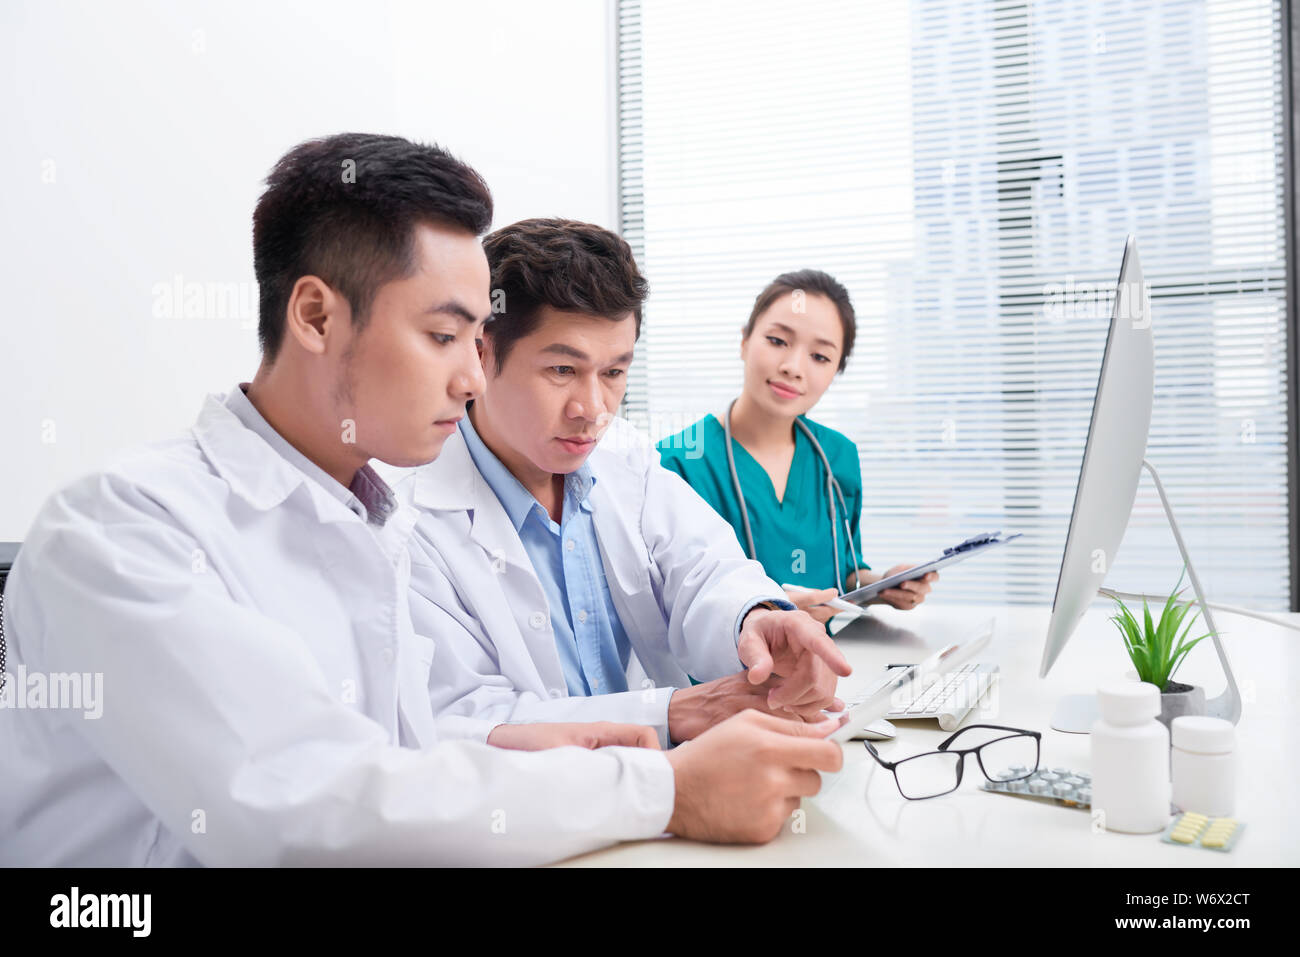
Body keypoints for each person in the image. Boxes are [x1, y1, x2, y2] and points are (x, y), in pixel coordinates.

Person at [0, 135, 842, 867]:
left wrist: (619, 739)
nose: (473, 377)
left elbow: (418, 746)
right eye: (444, 337)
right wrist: (661, 785)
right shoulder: (119, 530)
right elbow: (302, 804)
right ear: (317, 316)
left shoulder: (366, 511)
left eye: (474, 339)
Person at [402, 219, 852, 749]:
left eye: (614, 373)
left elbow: (703, 567)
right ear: (481, 353)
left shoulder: (625, 458)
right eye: (563, 370)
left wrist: (755, 617)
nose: (592, 410)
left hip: (666, 791)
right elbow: (463, 722)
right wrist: (673, 713)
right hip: (538, 815)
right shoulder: (409, 514)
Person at [657, 270, 937, 627]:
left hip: (824, 667)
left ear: (836, 370)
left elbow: (844, 572)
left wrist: (883, 586)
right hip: (724, 677)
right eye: (777, 341)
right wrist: (768, 613)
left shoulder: (838, 457)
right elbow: (666, 604)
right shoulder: (677, 460)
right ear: (744, 341)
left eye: (820, 357)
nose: (793, 368)